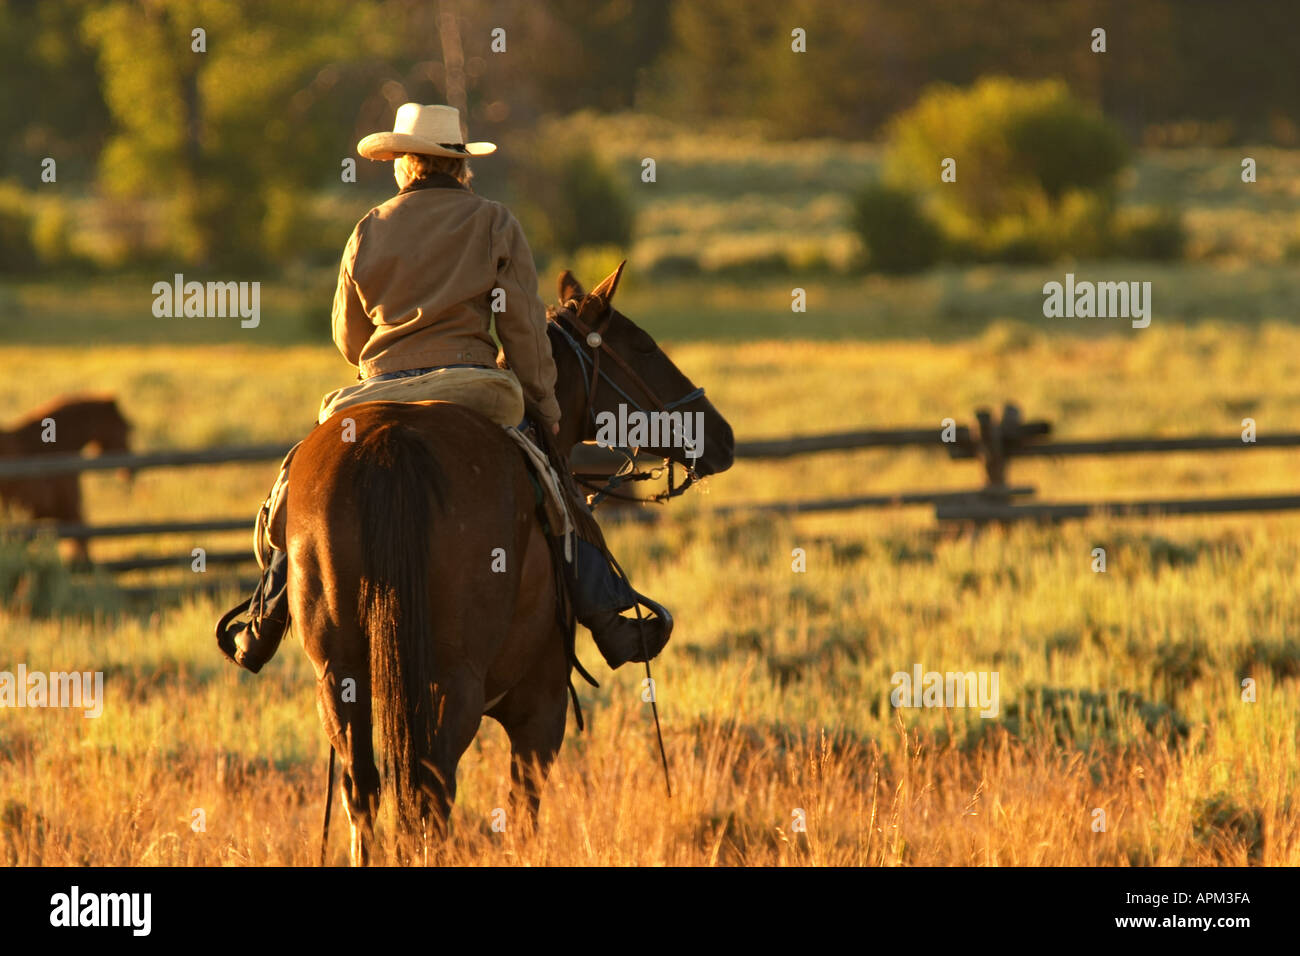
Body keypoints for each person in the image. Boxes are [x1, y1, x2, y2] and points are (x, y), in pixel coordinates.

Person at [215, 103, 671, 674]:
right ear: (459, 166)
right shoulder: (494, 222)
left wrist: (393, 354)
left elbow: (349, 338)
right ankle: (609, 619)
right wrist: (546, 406)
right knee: (555, 492)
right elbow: (525, 330)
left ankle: (266, 614)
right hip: (472, 386)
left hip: (375, 391)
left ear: (404, 164)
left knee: (297, 486)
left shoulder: (368, 228)